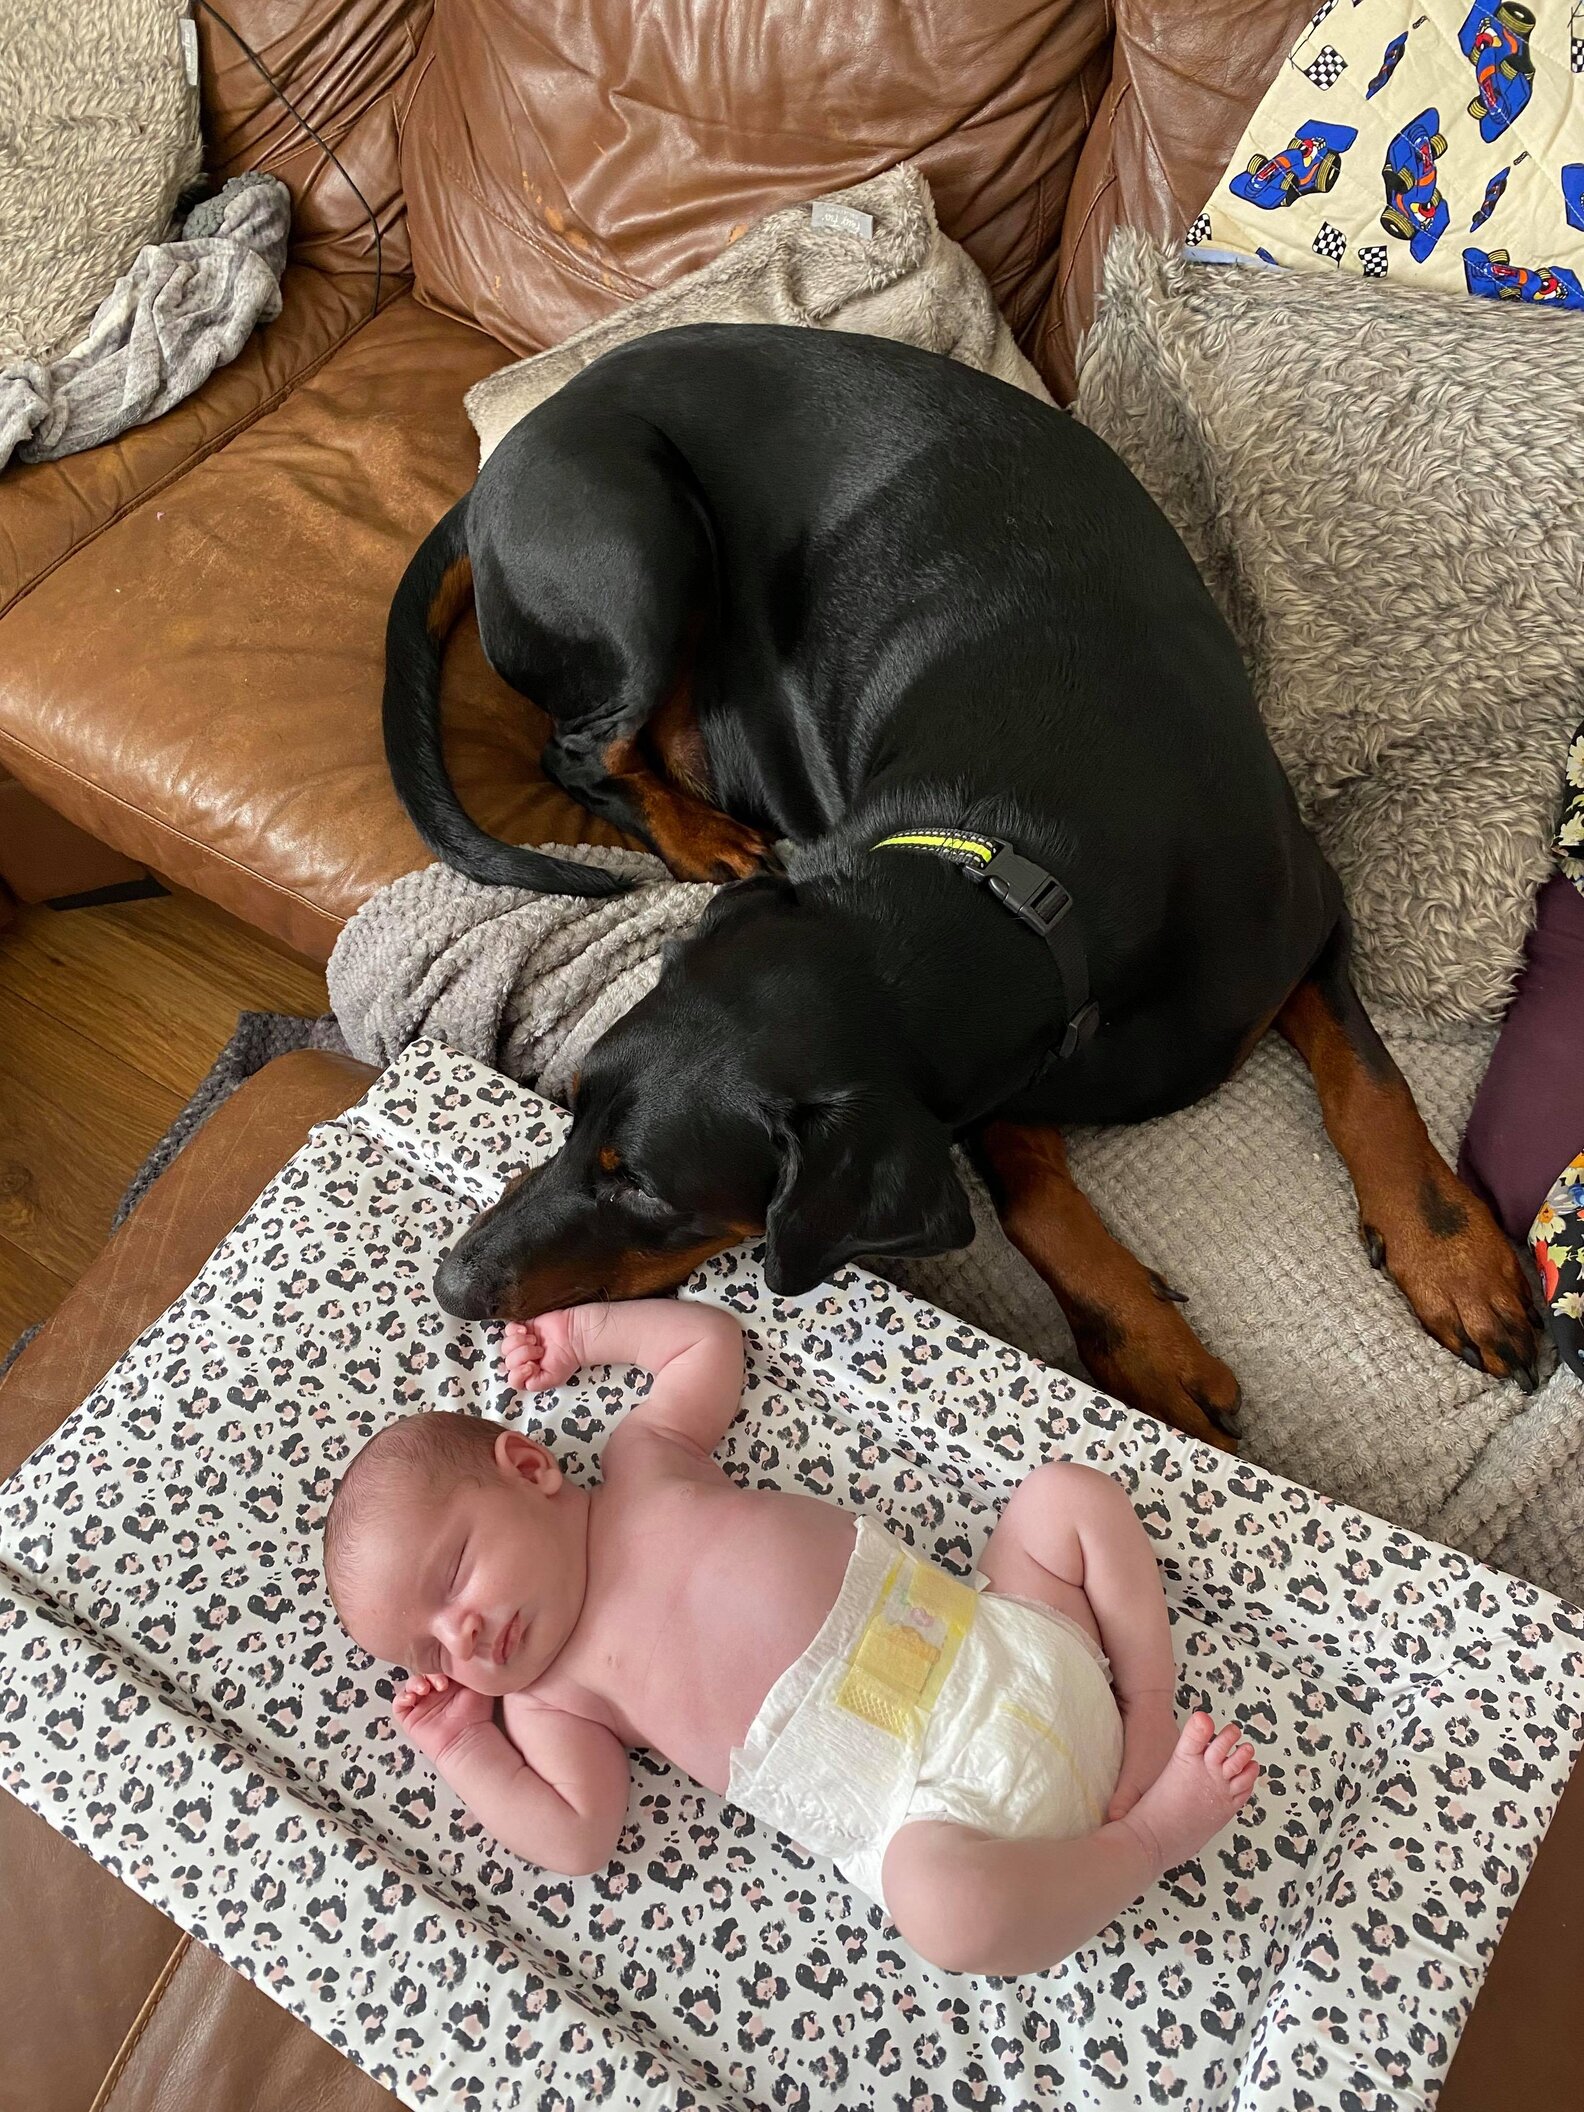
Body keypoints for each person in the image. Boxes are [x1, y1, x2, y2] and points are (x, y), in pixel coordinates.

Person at [323, 1298, 1257, 1976]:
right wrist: (461, 1743)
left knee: (1066, 1496)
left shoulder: (643, 1462)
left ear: (529, 1468)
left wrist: (581, 1334)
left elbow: (703, 1342)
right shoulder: (551, 1700)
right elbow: (577, 1837)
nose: (466, 1633)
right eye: (434, 1651)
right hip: (943, 1807)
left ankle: (1145, 1706)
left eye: (452, 1581)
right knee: (943, 1913)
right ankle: (1148, 1838)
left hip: (1008, 1636)